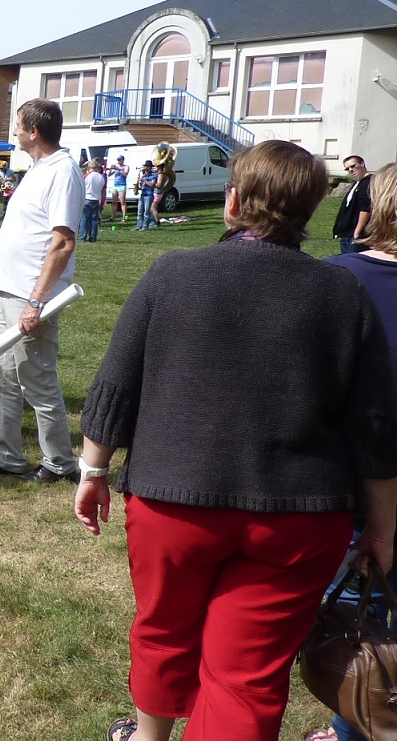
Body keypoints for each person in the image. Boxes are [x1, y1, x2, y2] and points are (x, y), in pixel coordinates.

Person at [73, 141, 397, 741]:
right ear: (309, 211)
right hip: (299, 517)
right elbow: (374, 426)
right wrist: (381, 530)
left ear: (233, 202)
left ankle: (148, 737)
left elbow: (116, 383)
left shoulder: (172, 272)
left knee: (163, 630)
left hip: (174, 502)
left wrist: (93, 469)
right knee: (247, 675)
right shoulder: (342, 293)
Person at [0, 99, 82, 483]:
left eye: (17, 125)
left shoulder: (64, 171)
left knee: (37, 379)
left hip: (32, 297)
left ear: (33, 131)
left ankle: (59, 464)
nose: (13, 132)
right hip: (9, 293)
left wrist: (35, 301)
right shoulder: (39, 169)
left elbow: (62, 242)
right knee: (2, 377)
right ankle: (6, 455)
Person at [318, 162, 397, 741]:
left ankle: (360, 727)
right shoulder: (333, 279)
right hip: (358, 485)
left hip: (351, 492)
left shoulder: (331, 281)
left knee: (356, 627)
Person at [333, 154, 373, 254]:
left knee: (354, 265)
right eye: (347, 169)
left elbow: (366, 208)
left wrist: (357, 232)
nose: (351, 170)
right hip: (347, 235)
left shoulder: (368, 182)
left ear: (362, 164)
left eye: (353, 166)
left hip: (356, 235)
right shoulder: (357, 184)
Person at [80, 160, 106, 242]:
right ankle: (93, 237)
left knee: (84, 219)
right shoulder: (101, 177)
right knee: (94, 220)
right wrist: (102, 203)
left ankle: (83, 237)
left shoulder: (86, 176)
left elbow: (81, 188)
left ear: (89, 168)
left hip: (87, 198)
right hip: (96, 200)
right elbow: (103, 191)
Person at [135, 161, 158, 230]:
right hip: (143, 195)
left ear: (150, 167)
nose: (145, 167)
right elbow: (142, 186)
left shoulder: (154, 175)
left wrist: (144, 180)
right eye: (145, 166)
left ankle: (145, 226)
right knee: (139, 212)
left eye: (147, 166)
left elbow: (152, 184)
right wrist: (138, 187)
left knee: (146, 212)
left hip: (149, 195)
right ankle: (139, 226)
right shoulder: (144, 175)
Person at [108, 154, 128, 222]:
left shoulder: (126, 167)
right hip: (115, 185)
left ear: (122, 160)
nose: (118, 161)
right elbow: (109, 175)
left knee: (122, 202)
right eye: (118, 160)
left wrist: (119, 169)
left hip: (122, 185)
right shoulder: (116, 167)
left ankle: (124, 217)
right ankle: (113, 216)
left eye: (119, 160)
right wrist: (111, 169)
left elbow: (125, 174)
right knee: (114, 202)